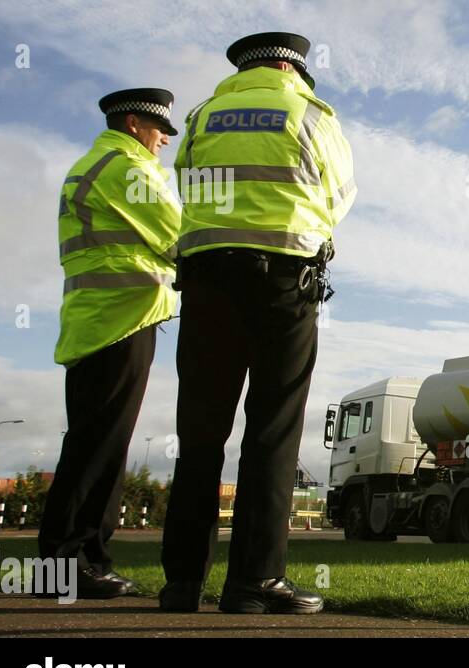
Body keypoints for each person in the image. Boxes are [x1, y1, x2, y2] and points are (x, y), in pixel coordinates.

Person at [159, 32, 356, 614]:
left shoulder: (201, 117)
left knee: (199, 433)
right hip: (283, 281)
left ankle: (180, 584)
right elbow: (340, 194)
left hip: (204, 279)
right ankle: (253, 581)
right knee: (272, 427)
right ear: (292, 68)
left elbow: (187, 184)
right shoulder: (311, 114)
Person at [40, 88, 181, 599]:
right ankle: (73, 564)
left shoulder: (95, 163)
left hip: (99, 318)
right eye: (158, 128)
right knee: (99, 446)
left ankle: (75, 563)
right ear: (131, 123)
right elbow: (177, 237)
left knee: (92, 443)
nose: (165, 138)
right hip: (120, 319)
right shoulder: (126, 169)